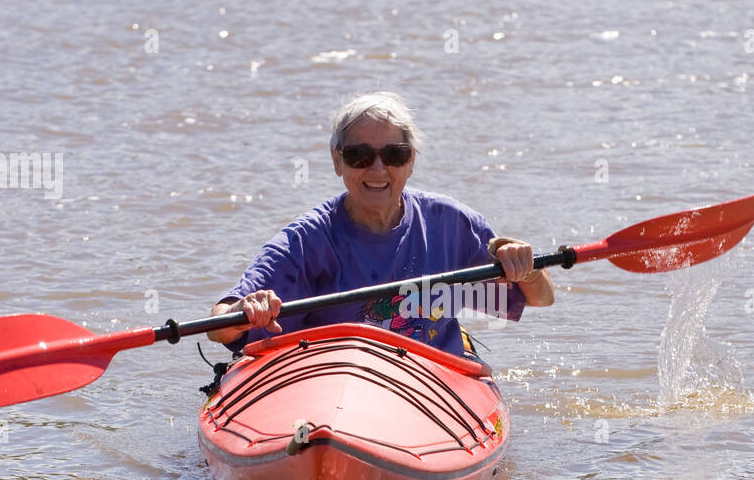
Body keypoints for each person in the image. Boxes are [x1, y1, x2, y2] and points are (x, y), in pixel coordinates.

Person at [208, 91, 554, 357]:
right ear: (336, 160)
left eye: (394, 155)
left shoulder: (450, 224)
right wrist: (245, 309)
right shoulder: (305, 240)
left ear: (411, 161)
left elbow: (541, 299)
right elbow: (218, 326)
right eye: (359, 155)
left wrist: (528, 269)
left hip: (432, 376)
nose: (377, 169)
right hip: (332, 385)